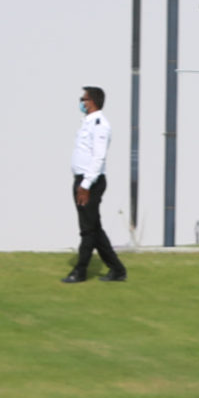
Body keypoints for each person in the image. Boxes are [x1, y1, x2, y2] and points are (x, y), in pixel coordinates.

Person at [63, 86, 127, 283]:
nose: (81, 102)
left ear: (92, 102)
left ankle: (80, 270)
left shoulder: (100, 125)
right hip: (82, 180)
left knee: (88, 229)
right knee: (94, 228)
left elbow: (98, 158)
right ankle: (117, 269)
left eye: (84, 99)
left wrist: (86, 185)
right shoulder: (87, 123)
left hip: (90, 182)